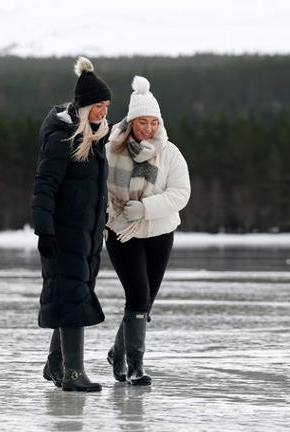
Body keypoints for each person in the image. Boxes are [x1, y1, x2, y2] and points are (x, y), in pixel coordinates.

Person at [31, 56, 112, 392]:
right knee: (73, 297)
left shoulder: (96, 139)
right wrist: (44, 229)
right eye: (97, 106)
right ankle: (73, 373)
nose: (103, 112)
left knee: (72, 296)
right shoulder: (62, 137)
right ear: (82, 106)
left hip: (87, 235)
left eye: (107, 106)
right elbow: (44, 185)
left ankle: (56, 364)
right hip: (63, 234)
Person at [105, 76, 191, 385]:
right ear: (131, 122)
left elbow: (181, 193)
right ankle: (135, 367)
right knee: (138, 295)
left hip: (159, 233)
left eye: (155, 122)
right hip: (121, 233)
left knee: (144, 301)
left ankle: (118, 353)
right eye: (144, 122)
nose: (150, 129)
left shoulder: (169, 153)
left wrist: (146, 208)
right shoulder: (112, 151)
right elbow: (102, 191)